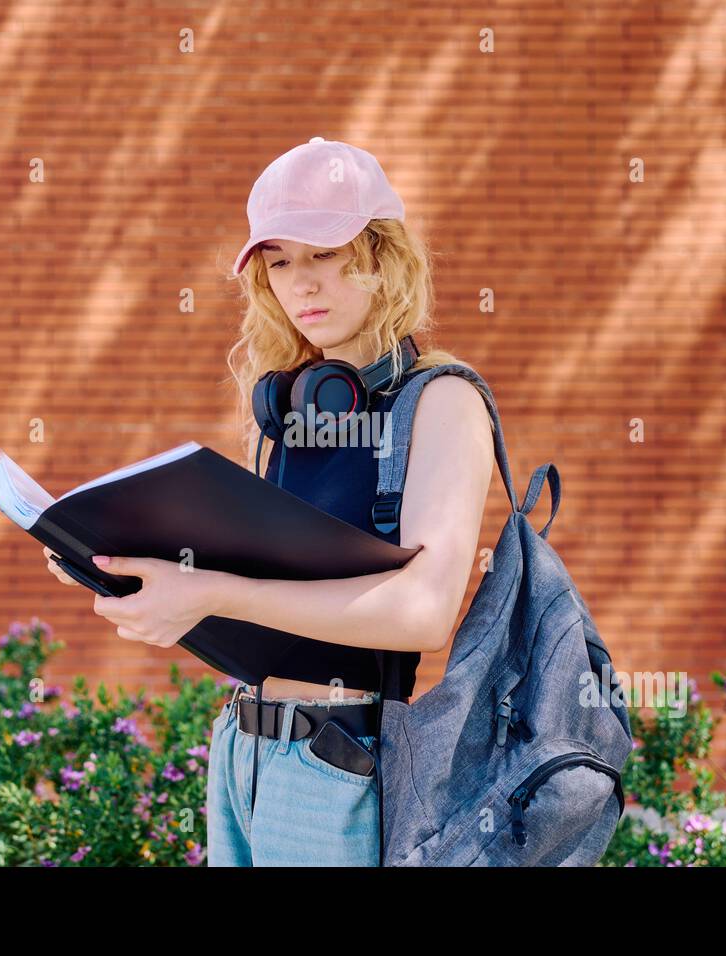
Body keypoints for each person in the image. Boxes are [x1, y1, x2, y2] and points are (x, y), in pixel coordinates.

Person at [44, 137, 494, 866]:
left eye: (324, 252)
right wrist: (110, 558)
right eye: (280, 261)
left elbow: (425, 613)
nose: (301, 283)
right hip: (243, 752)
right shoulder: (290, 409)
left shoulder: (441, 400)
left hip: (340, 765)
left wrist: (214, 591)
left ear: (384, 257)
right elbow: (266, 591)